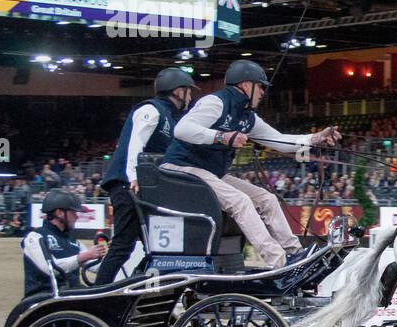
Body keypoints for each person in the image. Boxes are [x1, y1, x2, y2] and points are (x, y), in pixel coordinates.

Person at [160, 60, 342, 269]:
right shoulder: (216, 102)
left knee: (267, 199)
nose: (263, 91)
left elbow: (280, 141)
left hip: (210, 173)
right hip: (180, 169)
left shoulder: (248, 118)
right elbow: (182, 129)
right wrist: (222, 136)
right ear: (246, 85)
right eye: (261, 86)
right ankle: (279, 262)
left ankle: (296, 254)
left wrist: (315, 138)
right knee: (240, 201)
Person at [95, 68, 198, 284]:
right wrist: (133, 176)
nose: (191, 96)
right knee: (123, 245)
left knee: (159, 248)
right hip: (128, 185)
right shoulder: (151, 109)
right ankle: (97, 293)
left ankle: (135, 284)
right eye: (189, 91)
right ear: (178, 91)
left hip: (144, 189)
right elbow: (136, 144)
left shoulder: (171, 117)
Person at [22, 189, 106, 298]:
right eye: (73, 212)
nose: (77, 216)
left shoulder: (75, 242)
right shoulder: (35, 237)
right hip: (45, 296)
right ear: (59, 213)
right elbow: (49, 268)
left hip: (71, 294)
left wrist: (111, 257)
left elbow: (95, 267)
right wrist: (84, 256)